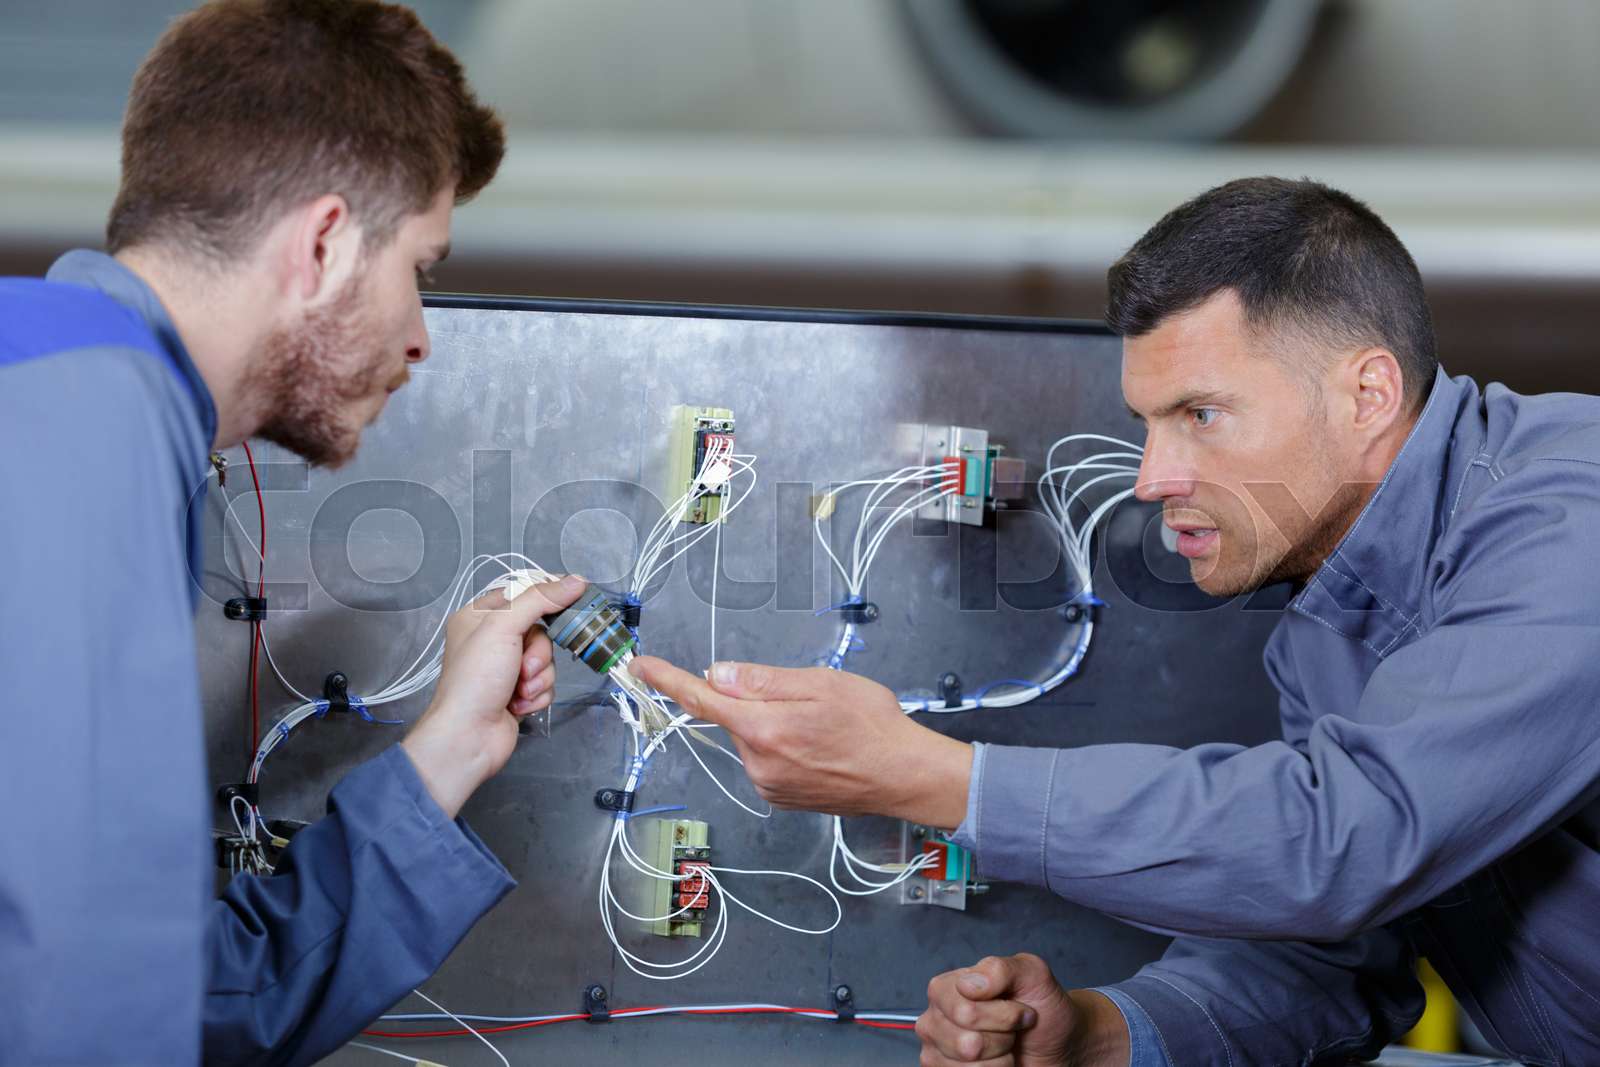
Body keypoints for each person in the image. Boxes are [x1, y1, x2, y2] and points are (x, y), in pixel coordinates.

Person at [634, 177, 1600, 1065]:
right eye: (1147, 422)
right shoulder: (1325, 630)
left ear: (1367, 392)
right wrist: (1099, 1033)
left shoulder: (1570, 511)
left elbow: (1344, 840)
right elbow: (1331, 955)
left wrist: (932, 776)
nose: (1152, 477)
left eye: (1201, 415)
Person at [0, 2, 583, 1063]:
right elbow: (91, 1013)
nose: (420, 340)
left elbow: (183, 995)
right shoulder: (88, 418)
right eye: (422, 270)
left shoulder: (69, 393)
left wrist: (446, 751)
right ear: (321, 244)